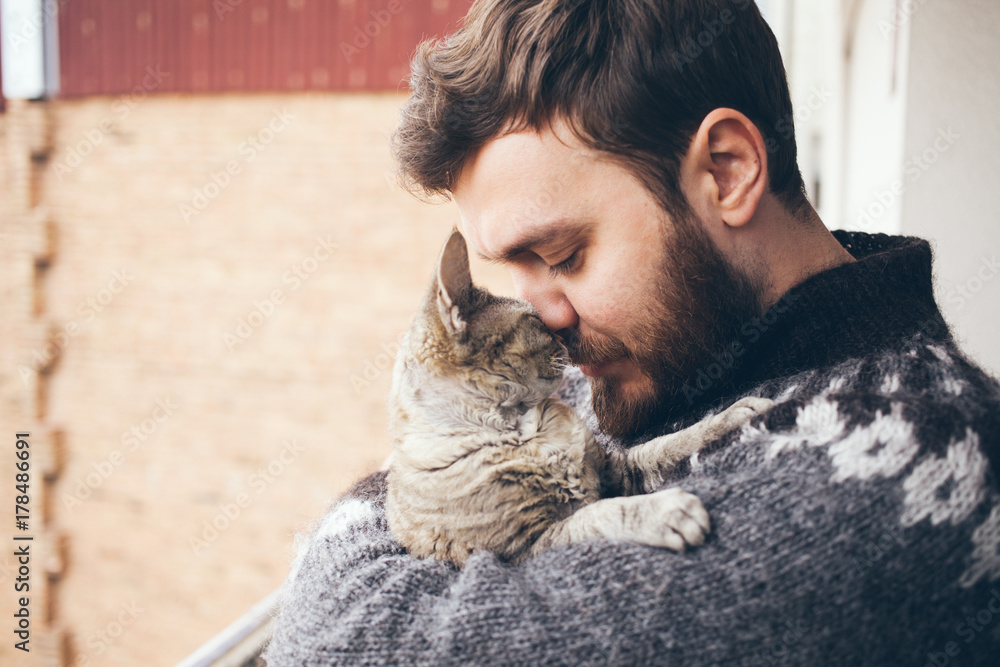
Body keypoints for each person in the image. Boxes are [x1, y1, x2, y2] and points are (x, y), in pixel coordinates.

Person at [263, 0, 1000, 664]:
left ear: (728, 170)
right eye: (513, 271)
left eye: (561, 255)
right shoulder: (656, 361)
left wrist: (405, 504)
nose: (543, 317)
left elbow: (338, 639)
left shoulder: (899, 473)